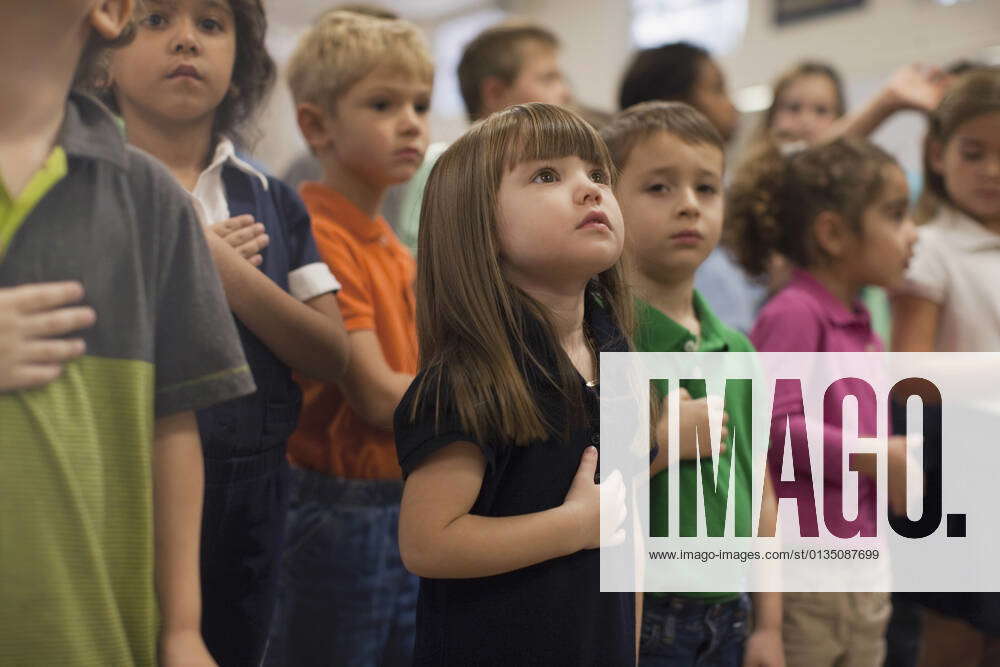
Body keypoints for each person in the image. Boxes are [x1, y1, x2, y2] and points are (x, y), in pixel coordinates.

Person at [0, 1, 257, 663]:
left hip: (89, 635)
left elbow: (172, 425)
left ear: (109, 10)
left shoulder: (150, 202)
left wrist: (181, 628)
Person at [101, 1, 351, 663]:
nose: (186, 39)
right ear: (103, 52)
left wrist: (218, 268)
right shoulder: (84, 185)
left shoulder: (270, 196)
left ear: (240, 63)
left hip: (255, 492)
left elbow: (332, 353)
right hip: (117, 481)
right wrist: (189, 253)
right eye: (156, 20)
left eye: (211, 24)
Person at [394, 103, 636, 665]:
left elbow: (627, 540)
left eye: (597, 175)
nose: (590, 190)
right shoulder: (464, 379)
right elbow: (428, 541)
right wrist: (572, 527)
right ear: (478, 225)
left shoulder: (619, 358)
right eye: (547, 175)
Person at [267, 11, 432, 665]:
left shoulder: (393, 244)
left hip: (401, 499)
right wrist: (486, 395)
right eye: (383, 103)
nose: (412, 120)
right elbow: (376, 396)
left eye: (420, 103)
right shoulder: (316, 230)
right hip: (338, 508)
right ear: (316, 126)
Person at [602, 100, 784, 666]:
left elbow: (760, 492)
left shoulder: (738, 349)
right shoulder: (604, 342)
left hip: (729, 613)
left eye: (707, 188)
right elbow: (579, 481)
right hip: (642, 613)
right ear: (608, 202)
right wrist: (662, 445)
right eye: (659, 188)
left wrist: (768, 626)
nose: (688, 205)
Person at [729, 136, 917, 666]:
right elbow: (772, 426)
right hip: (805, 580)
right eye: (895, 215)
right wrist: (877, 457)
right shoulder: (793, 313)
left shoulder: (862, 328)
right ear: (833, 232)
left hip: (863, 576)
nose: (912, 234)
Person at [892, 67, 1000, 667]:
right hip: (956, 459)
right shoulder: (931, 246)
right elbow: (909, 379)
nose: (990, 170)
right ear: (937, 154)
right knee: (953, 637)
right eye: (974, 152)